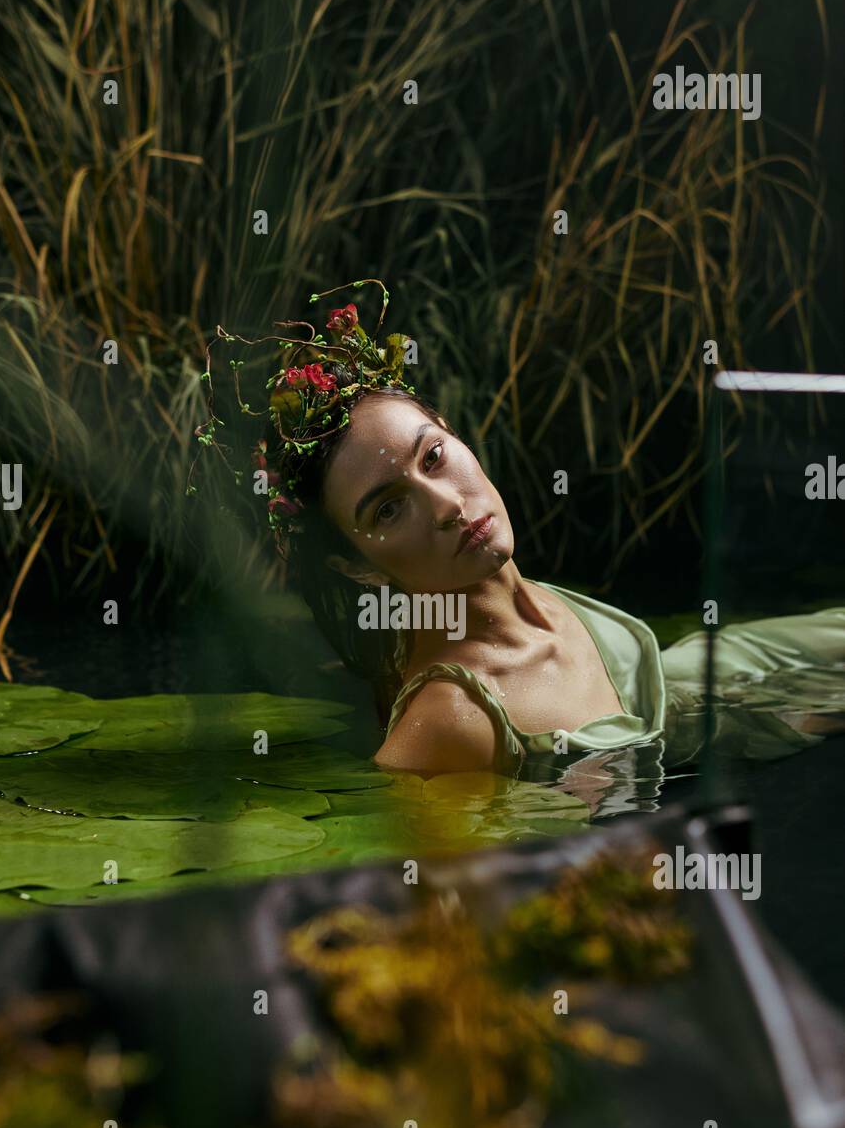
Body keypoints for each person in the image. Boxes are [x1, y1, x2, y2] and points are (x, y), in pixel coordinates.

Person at [242, 282, 845, 790]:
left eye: (432, 457)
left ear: (452, 434)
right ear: (357, 566)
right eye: (389, 510)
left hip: (719, 672)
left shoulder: (520, 603)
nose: (448, 505)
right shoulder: (452, 718)